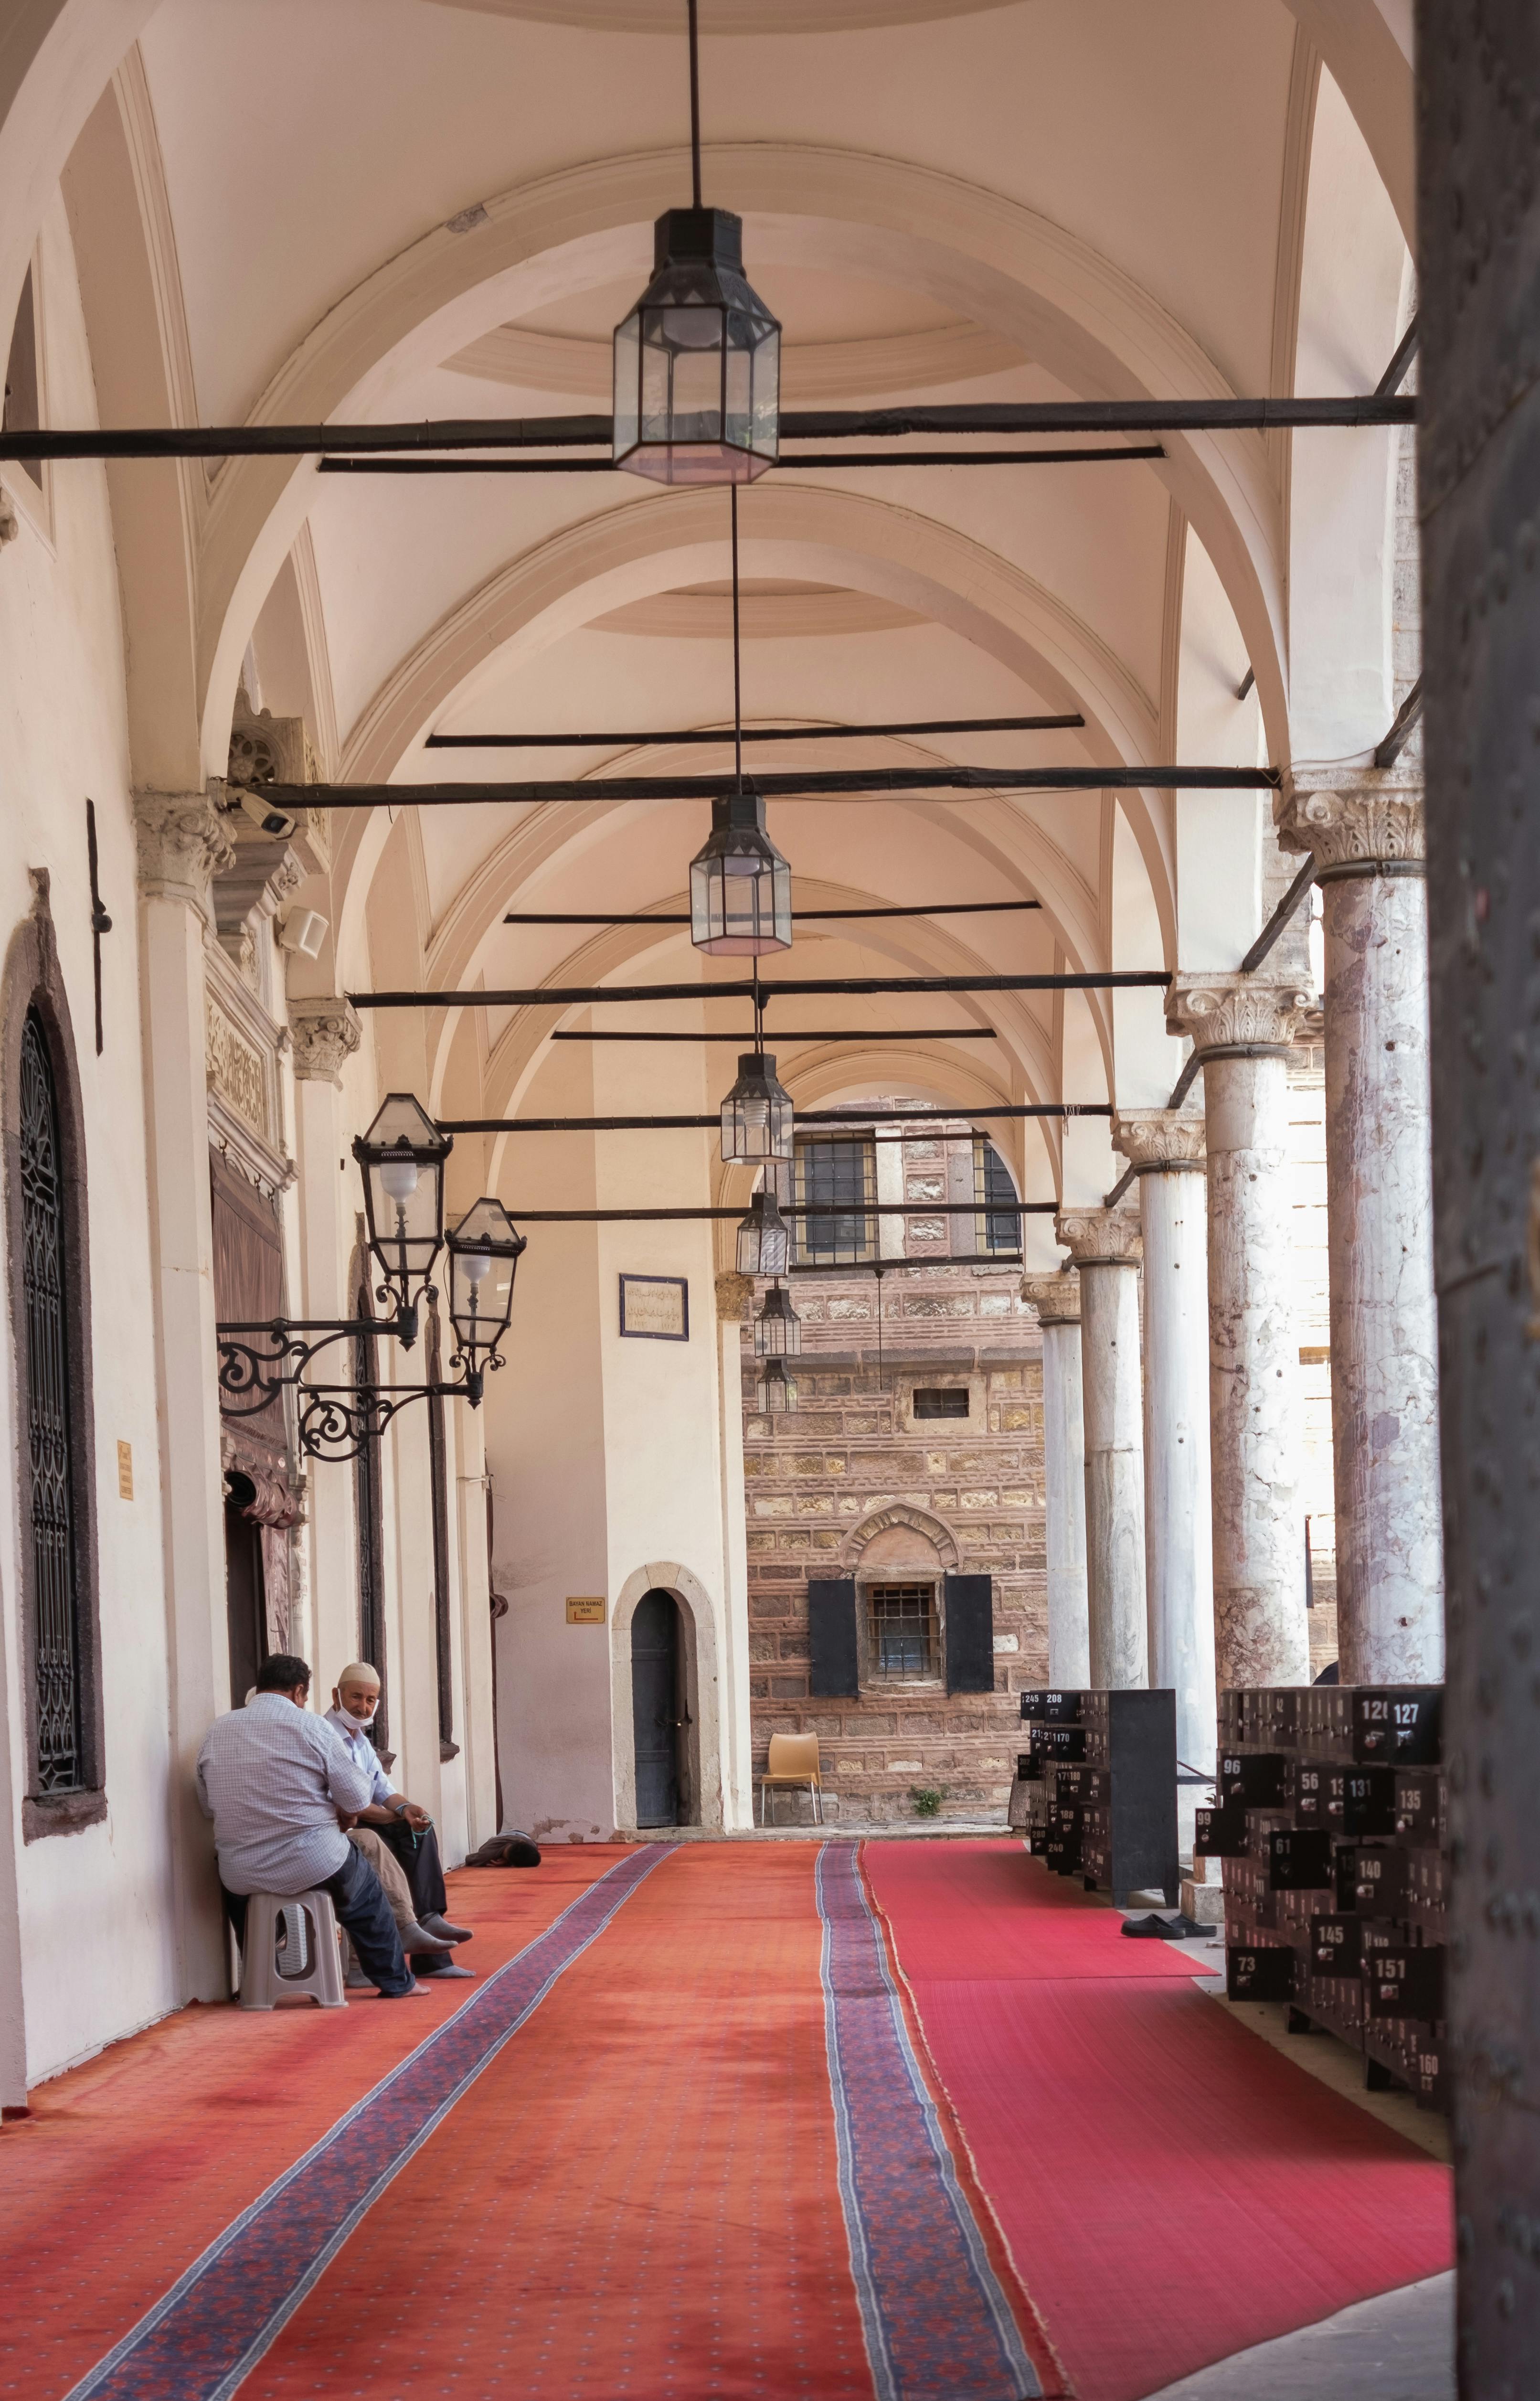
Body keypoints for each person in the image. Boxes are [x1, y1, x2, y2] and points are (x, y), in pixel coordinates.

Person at [197, 1653, 421, 2000]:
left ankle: (257, 1981)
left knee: (241, 1892)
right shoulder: (311, 1726)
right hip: (312, 1859)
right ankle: (395, 1981)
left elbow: (207, 1804)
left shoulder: (217, 1730)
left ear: (261, 1686)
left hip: (241, 1868)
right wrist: (339, 1810)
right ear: (299, 1691)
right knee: (366, 1894)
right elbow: (358, 1794)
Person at [325, 1663, 475, 1981]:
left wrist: (407, 1808)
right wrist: (397, 1815)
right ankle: (427, 1930)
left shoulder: (361, 1741)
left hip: (361, 1829)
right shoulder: (325, 1736)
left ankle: (430, 1919)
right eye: (355, 1696)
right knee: (399, 1831)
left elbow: (382, 1789)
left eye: (370, 1700)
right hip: (338, 1831)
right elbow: (350, 1804)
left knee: (420, 1825)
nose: (362, 1706)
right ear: (336, 1695)